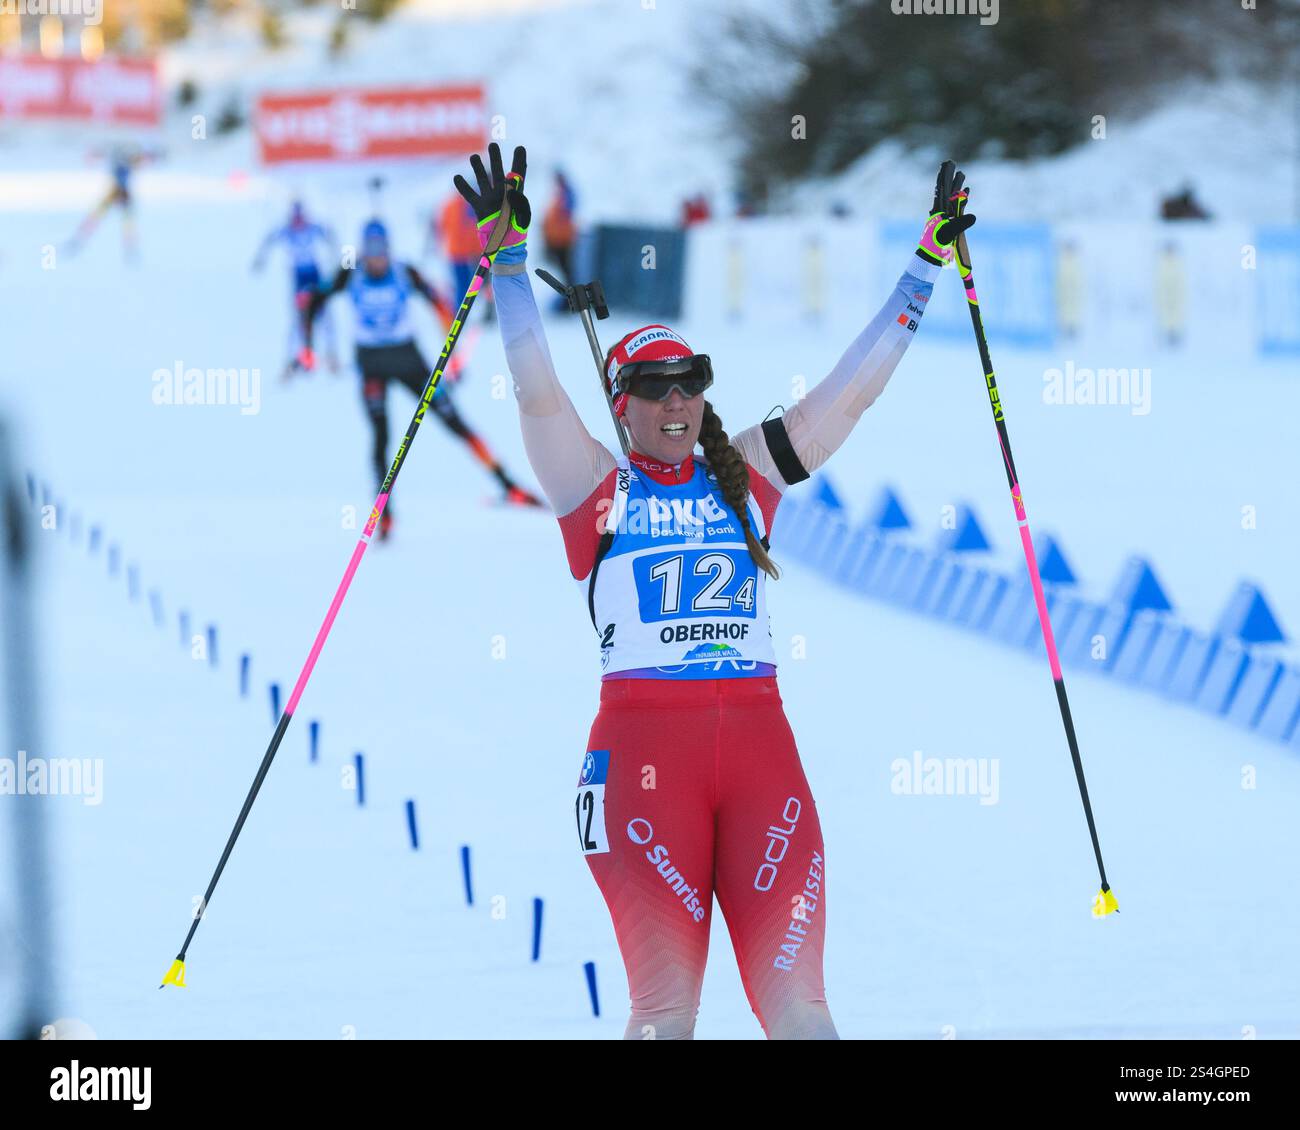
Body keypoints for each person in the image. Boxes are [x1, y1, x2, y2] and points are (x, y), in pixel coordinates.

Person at [455, 143, 975, 1039]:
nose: (677, 403)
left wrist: (923, 267)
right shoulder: (594, 486)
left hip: (763, 760)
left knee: (801, 1010)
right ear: (623, 405)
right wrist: (506, 263)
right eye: (656, 388)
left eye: (691, 384)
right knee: (666, 1015)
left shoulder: (747, 478)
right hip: (641, 772)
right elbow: (538, 394)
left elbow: (847, 397)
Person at [303, 218, 542, 537]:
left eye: (382, 249)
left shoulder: (405, 272)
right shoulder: (350, 274)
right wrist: (308, 350)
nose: (377, 257)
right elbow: (310, 302)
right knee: (381, 437)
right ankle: (384, 514)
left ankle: (507, 484)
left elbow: (442, 305)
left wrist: (453, 352)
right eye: (371, 250)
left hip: (409, 362)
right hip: (372, 364)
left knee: (455, 422)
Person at [252, 200, 340, 379]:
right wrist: (260, 260)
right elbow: (269, 240)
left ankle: (331, 356)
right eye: (296, 218)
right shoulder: (286, 231)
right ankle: (300, 359)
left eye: (301, 217)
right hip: (299, 278)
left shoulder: (313, 227)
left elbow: (331, 237)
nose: (299, 222)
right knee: (300, 319)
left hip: (315, 275)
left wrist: (340, 258)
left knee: (324, 315)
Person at [64, 144, 162, 260]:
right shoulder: (122, 159)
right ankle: (78, 240)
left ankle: (130, 248)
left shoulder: (127, 160)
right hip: (116, 193)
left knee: (124, 221)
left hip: (120, 194)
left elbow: (144, 159)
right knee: (100, 218)